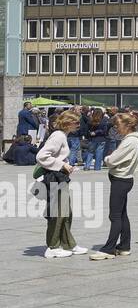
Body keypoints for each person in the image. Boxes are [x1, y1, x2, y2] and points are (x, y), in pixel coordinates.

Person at [90, 112, 138, 260]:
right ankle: (125, 246)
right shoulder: (133, 140)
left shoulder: (130, 141)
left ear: (127, 125)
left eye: (118, 125)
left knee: (114, 216)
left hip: (121, 179)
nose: (116, 128)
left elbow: (112, 160)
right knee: (122, 214)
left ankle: (109, 249)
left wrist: (107, 158)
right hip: (124, 179)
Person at [36, 111, 87, 259]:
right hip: (55, 178)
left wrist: (65, 165)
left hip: (59, 177)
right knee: (58, 212)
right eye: (76, 122)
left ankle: (68, 243)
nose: (78, 125)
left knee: (65, 212)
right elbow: (41, 156)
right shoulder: (58, 135)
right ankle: (52, 246)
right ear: (67, 122)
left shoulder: (62, 135)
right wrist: (62, 165)